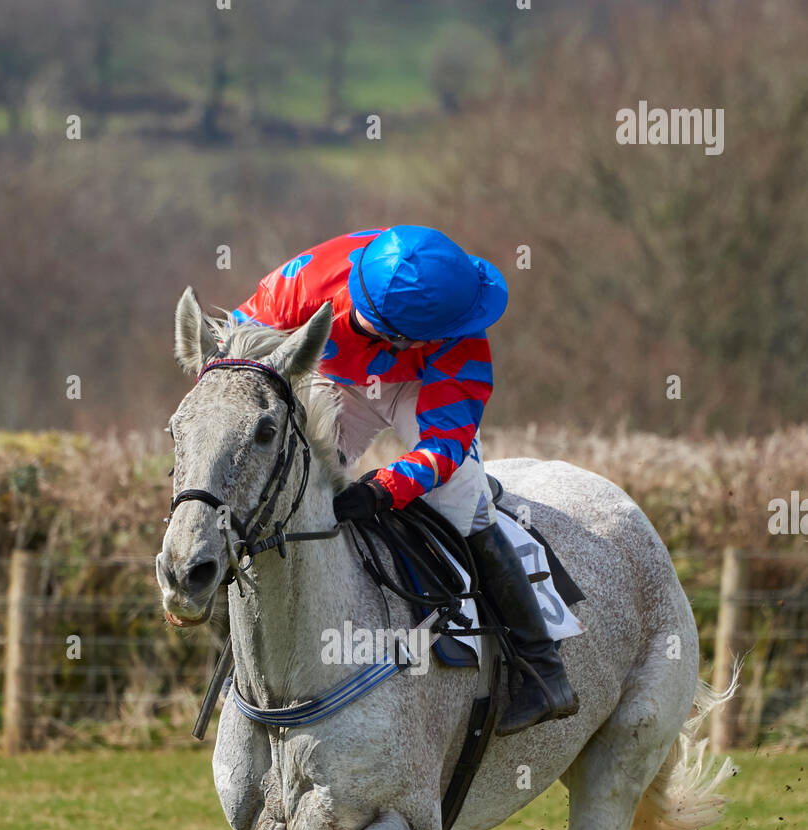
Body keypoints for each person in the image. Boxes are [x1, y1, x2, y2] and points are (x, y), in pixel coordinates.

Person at [228, 225, 578, 733]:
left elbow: (443, 447)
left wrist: (381, 489)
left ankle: (541, 670)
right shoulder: (301, 284)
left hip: (419, 389)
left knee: (464, 505)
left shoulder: (459, 327)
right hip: (335, 379)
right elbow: (232, 354)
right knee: (286, 490)